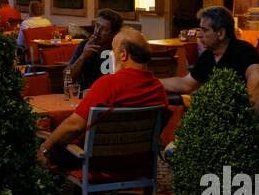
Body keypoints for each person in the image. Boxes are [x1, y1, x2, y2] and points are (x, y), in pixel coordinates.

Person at [38, 28, 171, 169]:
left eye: (113, 50)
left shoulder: (108, 84)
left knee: (46, 142)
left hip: (98, 163)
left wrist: (45, 147)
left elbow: (74, 126)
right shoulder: (157, 88)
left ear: (123, 55)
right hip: (139, 162)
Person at [161, 5, 259, 118]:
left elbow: (258, 78)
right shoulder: (209, 55)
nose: (199, 34)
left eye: (205, 30)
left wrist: (245, 120)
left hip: (256, 130)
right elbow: (186, 84)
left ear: (221, 33)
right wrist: (153, 83)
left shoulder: (243, 51)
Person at [65, 9, 124, 90]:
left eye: (104, 29)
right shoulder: (84, 45)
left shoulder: (119, 50)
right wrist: (83, 56)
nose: (97, 31)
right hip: (86, 96)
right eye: (97, 26)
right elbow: (67, 79)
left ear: (114, 34)